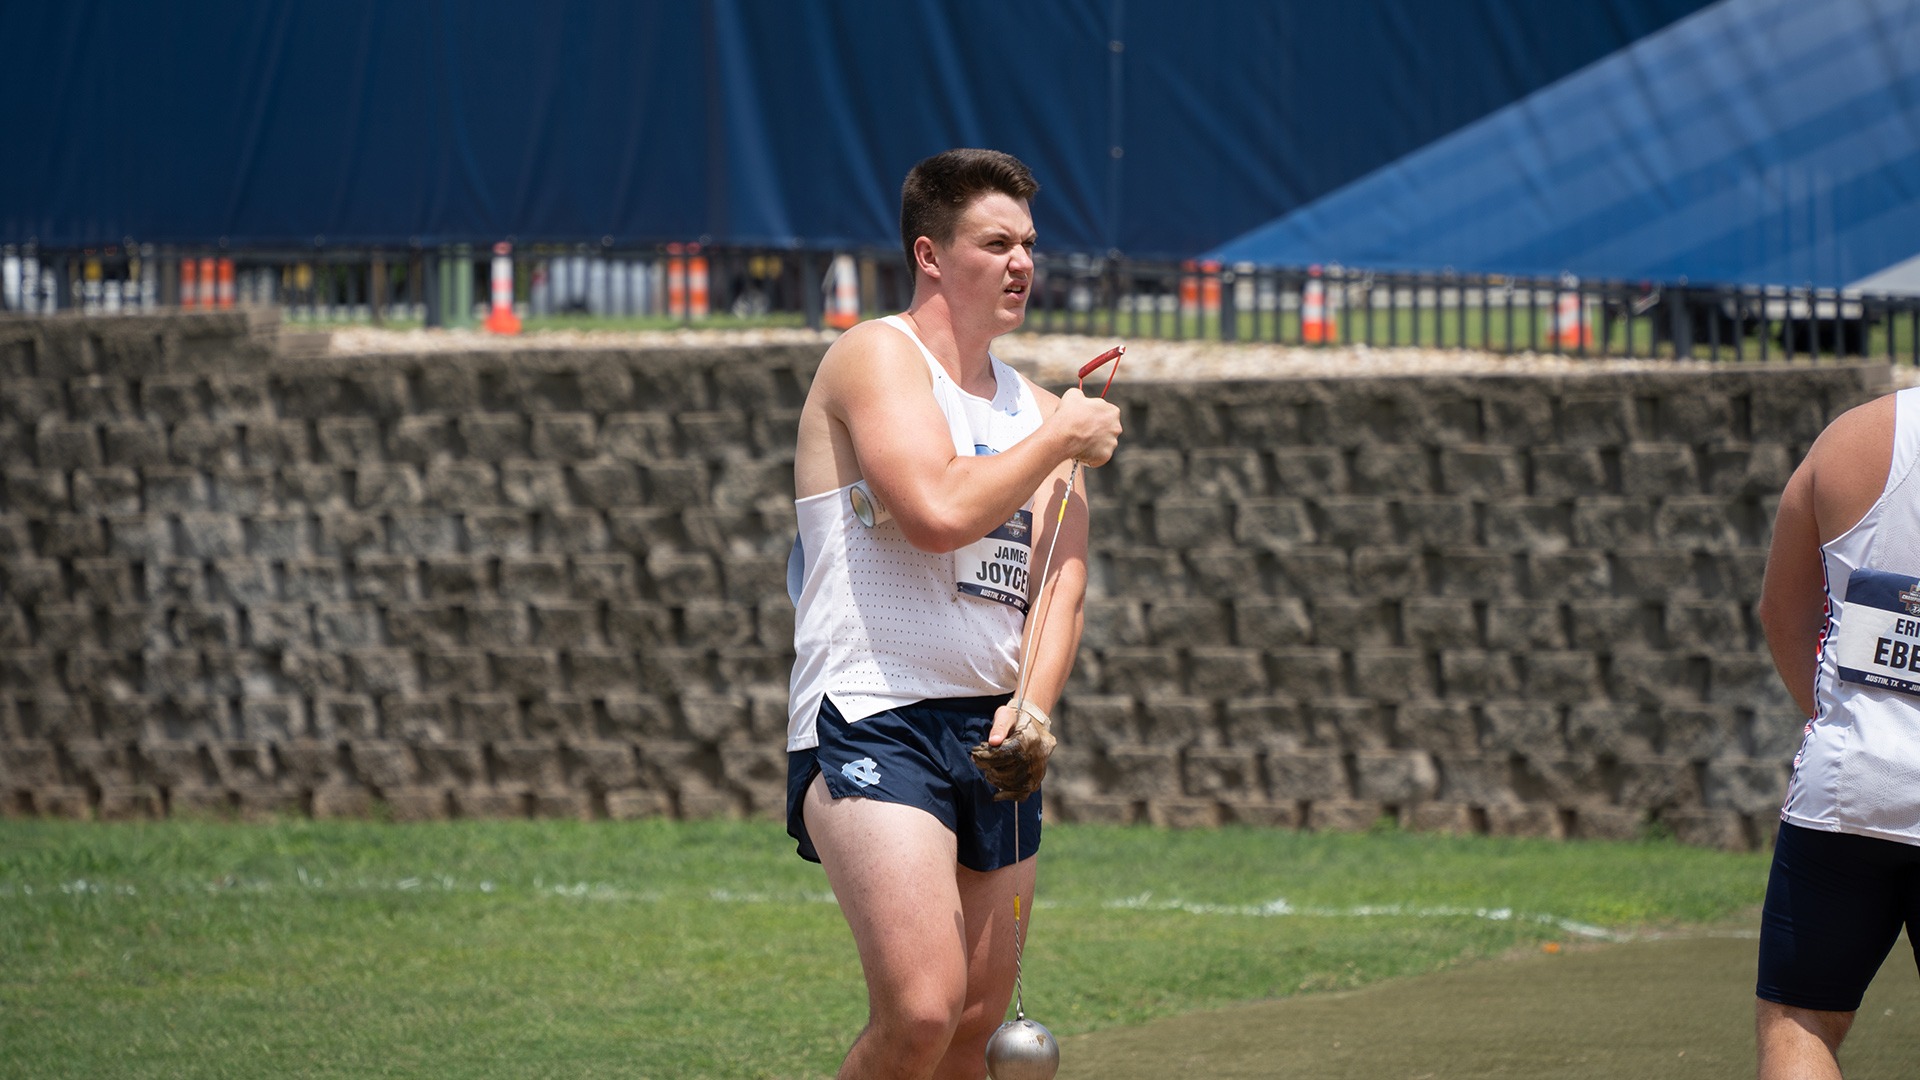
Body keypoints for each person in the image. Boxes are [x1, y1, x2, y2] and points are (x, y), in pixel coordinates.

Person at [783, 147, 1123, 1079]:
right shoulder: (874, 357)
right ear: (931, 254)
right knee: (924, 1010)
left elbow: (1060, 582)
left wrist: (1038, 704)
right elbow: (935, 513)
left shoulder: (1040, 410)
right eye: (996, 242)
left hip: (990, 730)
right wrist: (1058, 436)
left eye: (1029, 244)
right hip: (874, 711)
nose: (1022, 262)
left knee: (977, 1027)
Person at [1757, 386, 1920, 1079]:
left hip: (1850, 789)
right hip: (1848, 785)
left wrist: (1839, 727)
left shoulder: (1856, 437)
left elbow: (1781, 614)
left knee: (1802, 1020)